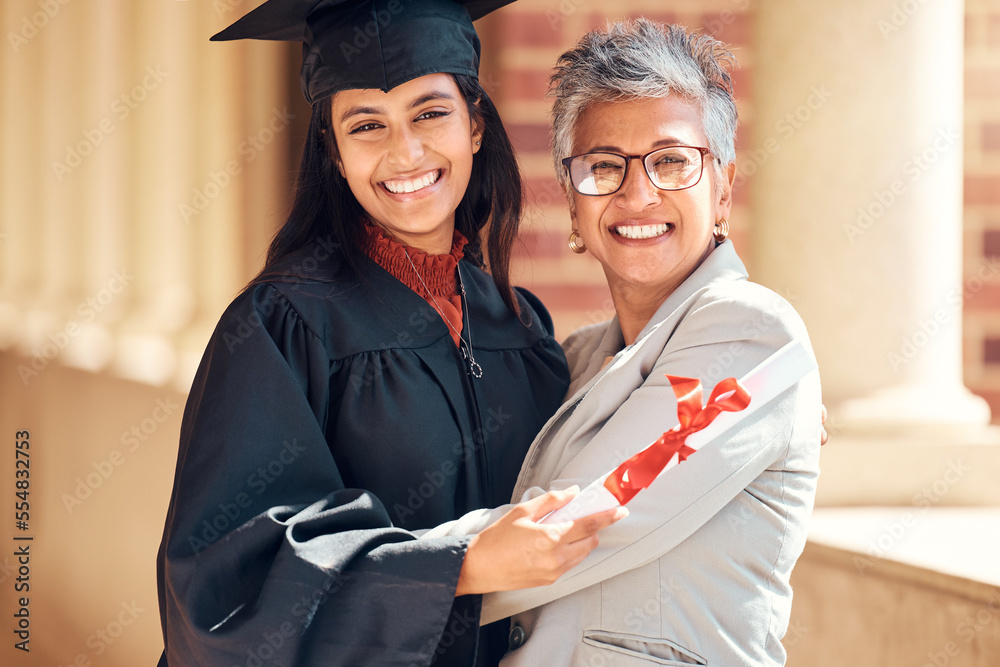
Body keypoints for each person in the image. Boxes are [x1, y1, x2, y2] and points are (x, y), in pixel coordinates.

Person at [154, 2, 624, 665]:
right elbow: (224, 589)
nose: (405, 153)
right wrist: (457, 564)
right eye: (366, 125)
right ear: (334, 152)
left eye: (430, 113)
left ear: (476, 126)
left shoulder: (518, 325)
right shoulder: (279, 328)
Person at [423, 19, 823, 666]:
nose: (638, 194)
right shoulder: (573, 360)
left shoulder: (753, 337)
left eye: (671, 161)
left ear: (722, 189)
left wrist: (363, 580)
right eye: (603, 167)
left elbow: (572, 527)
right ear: (573, 203)